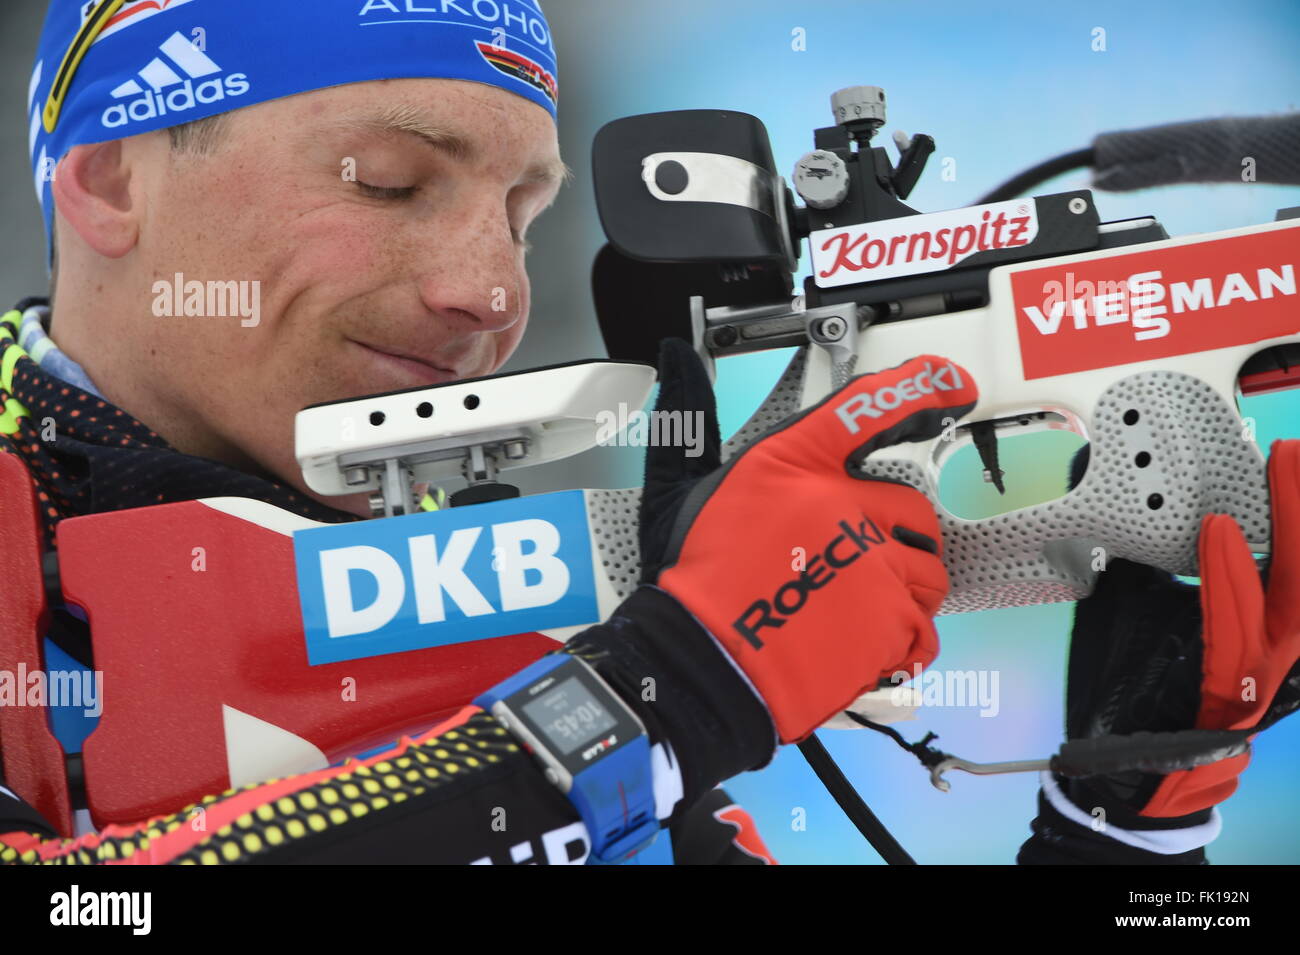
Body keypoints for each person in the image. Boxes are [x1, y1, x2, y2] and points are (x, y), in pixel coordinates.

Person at [1, 0, 1295, 866]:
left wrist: (1116, 835)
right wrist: (666, 699)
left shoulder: (485, 596)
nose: (494, 293)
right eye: (389, 184)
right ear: (113, 179)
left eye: (524, 213)